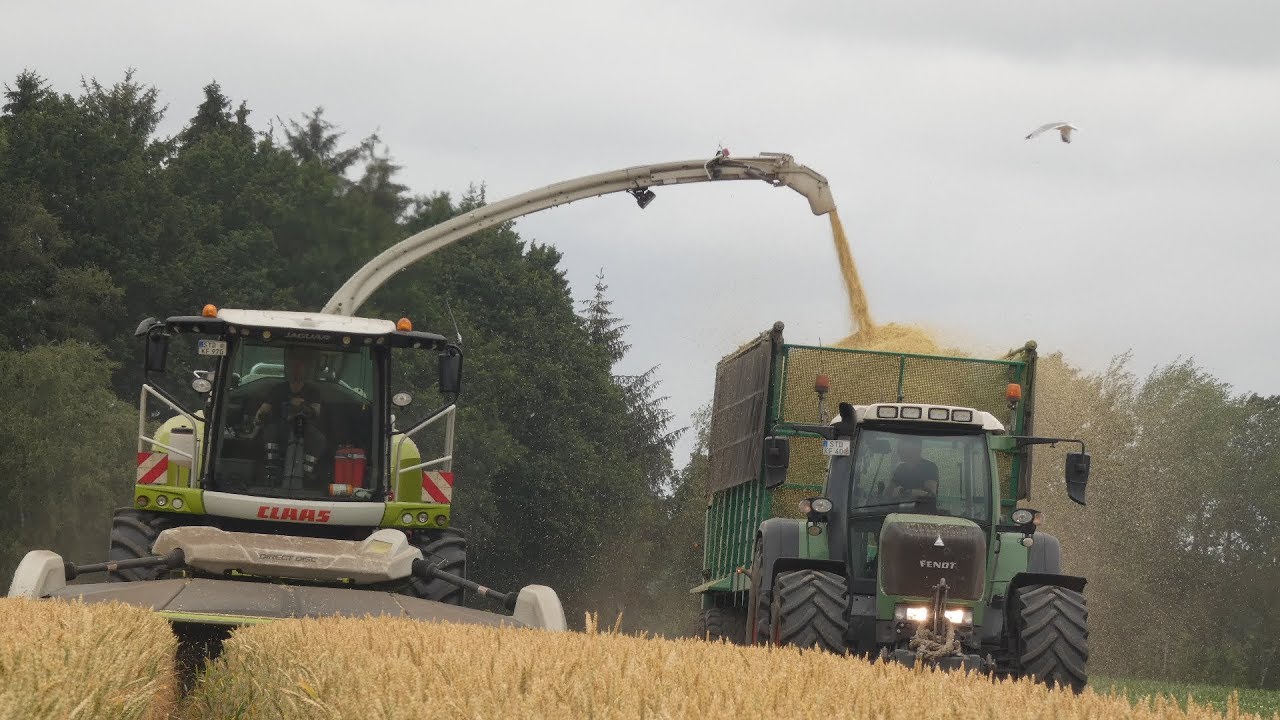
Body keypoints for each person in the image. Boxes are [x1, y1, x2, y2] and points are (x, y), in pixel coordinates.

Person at [254, 346, 328, 489]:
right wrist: (260, 415)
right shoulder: (278, 389)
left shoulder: (313, 391)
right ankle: (272, 469)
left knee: (319, 439)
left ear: (306, 369)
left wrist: (303, 406)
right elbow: (264, 408)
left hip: (305, 428)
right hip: (280, 427)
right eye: (293, 366)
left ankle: (306, 472)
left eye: (300, 366)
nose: (296, 369)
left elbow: (316, 412)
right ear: (288, 368)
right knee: (269, 432)